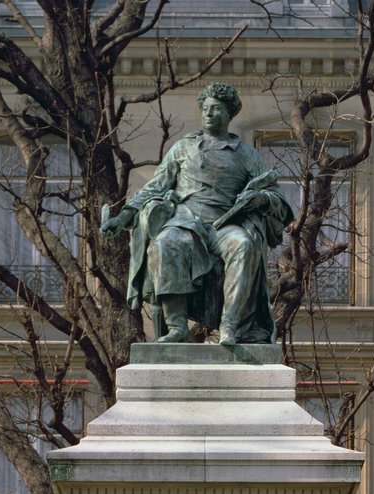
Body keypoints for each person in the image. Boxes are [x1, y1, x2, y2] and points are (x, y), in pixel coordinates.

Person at [100, 81, 294, 346]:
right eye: (205, 109)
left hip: (226, 225)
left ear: (229, 113)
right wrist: (123, 216)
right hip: (186, 222)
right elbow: (155, 186)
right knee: (164, 243)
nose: (208, 114)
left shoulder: (247, 154)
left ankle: (230, 326)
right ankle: (176, 326)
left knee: (244, 245)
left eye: (215, 109)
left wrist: (259, 198)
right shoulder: (183, 148)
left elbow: (277, 199)